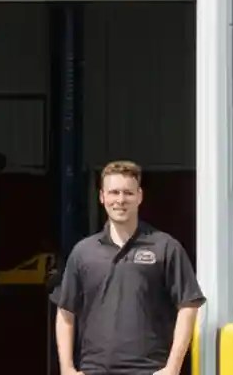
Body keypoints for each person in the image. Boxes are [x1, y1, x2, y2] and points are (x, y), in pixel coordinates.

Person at [50, 160, 205, 375]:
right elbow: (66, 311)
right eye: (113, 193)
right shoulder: (83, 252)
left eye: (128, 193)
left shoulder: (165, 247)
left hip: (149, 370)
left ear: (140, 196)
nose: (120, 200)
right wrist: (67, 368)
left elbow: (189, 306)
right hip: (94, 370)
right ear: (102, 197)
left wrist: (172, 367)